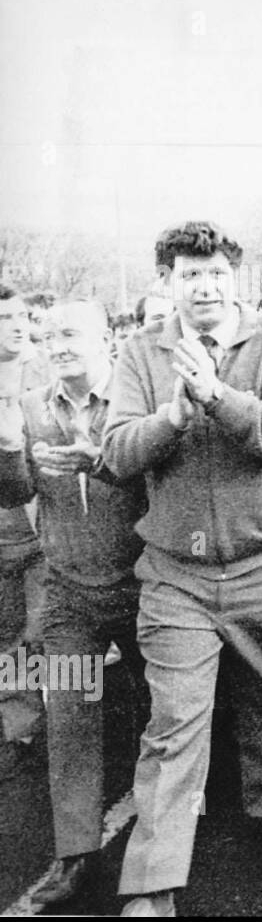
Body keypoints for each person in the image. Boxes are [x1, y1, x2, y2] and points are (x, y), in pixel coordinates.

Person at [105, 221, 262, 917]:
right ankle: (152, 882)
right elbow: (113, 456)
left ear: (237, 280)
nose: (204, 287)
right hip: (176, 574)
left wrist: (219, 399)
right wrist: (171, 416)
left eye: (216, 274)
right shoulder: (141, 351)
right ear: (166, 282)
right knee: (173, 721)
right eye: (188, 275)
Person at [0, 299, 147, 906]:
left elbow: (159, 477)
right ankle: (76, 852)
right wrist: (9, 448)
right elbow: (14, 494)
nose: (57, 345)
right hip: (67, 594)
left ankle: (171, 815)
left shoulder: (137, 399)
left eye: (69, 333)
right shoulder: (32, 405)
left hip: (144, 584)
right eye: (46, 336)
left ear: (104, 338)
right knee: (69, 717)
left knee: (160, 707)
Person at [0, 282, 50, 776]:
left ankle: (74, 721)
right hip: (3, 531)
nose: (17, 326)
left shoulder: (46, 370)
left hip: (45, 529)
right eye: (4, 318)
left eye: (21, 316)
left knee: (45, 633)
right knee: (9, 636)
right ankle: (22, 727)